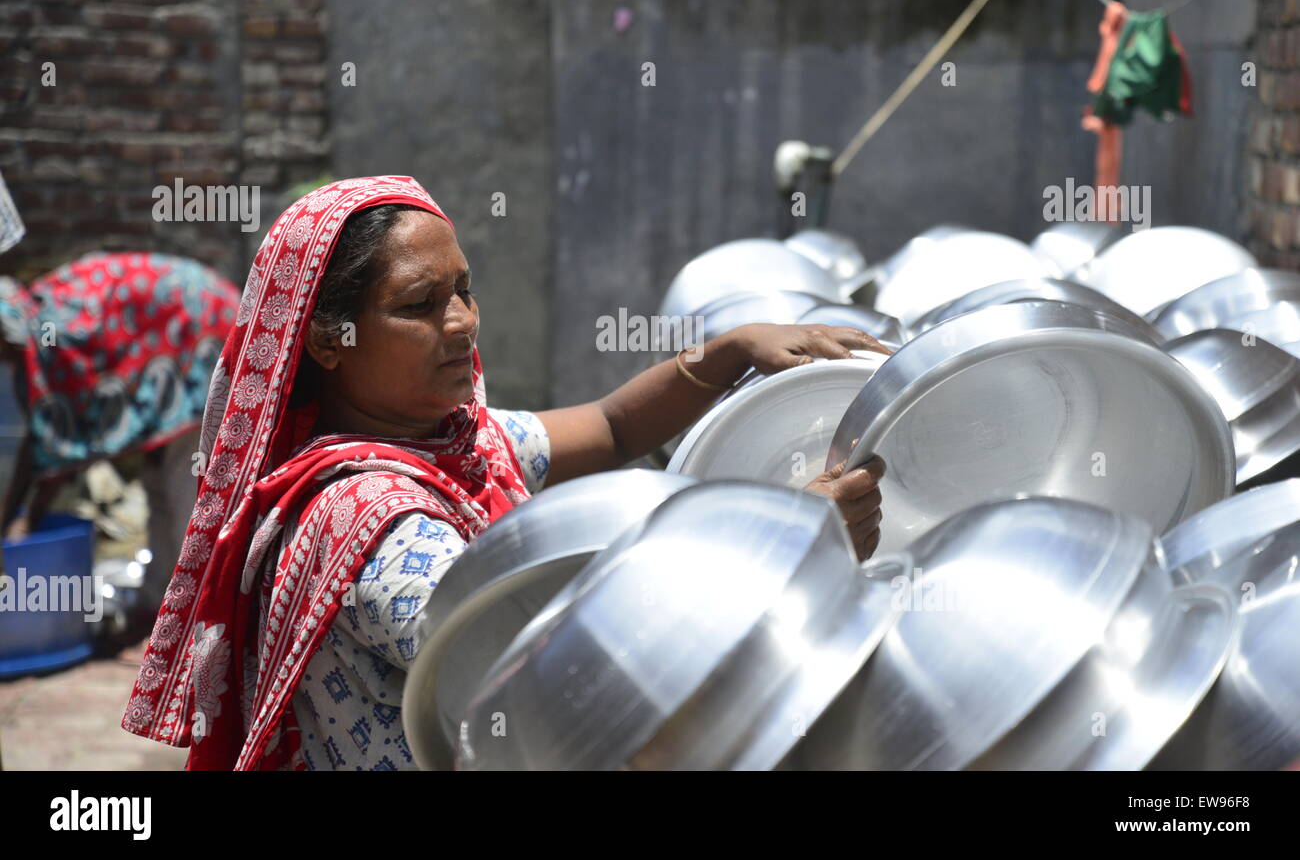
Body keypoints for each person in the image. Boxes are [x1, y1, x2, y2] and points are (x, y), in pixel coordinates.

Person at [121, 176, 888, 770]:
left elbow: (611, 427)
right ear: (329, 339)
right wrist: (785, 538)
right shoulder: (371, 524)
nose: (461, 320)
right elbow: (578, 672)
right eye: (419, 304)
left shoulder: (454, 444)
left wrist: (722, 353)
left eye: (463, 288)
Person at [0, 252, 239, 630]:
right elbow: (42, 436)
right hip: (186, 325)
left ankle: (193, 626)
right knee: (157, 482)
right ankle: (159, 608)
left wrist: (25, 521)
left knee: (185, 488)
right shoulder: (37, 317)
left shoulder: (51, 340)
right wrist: (11, 517)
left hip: (200, 334)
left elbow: (57, 449)